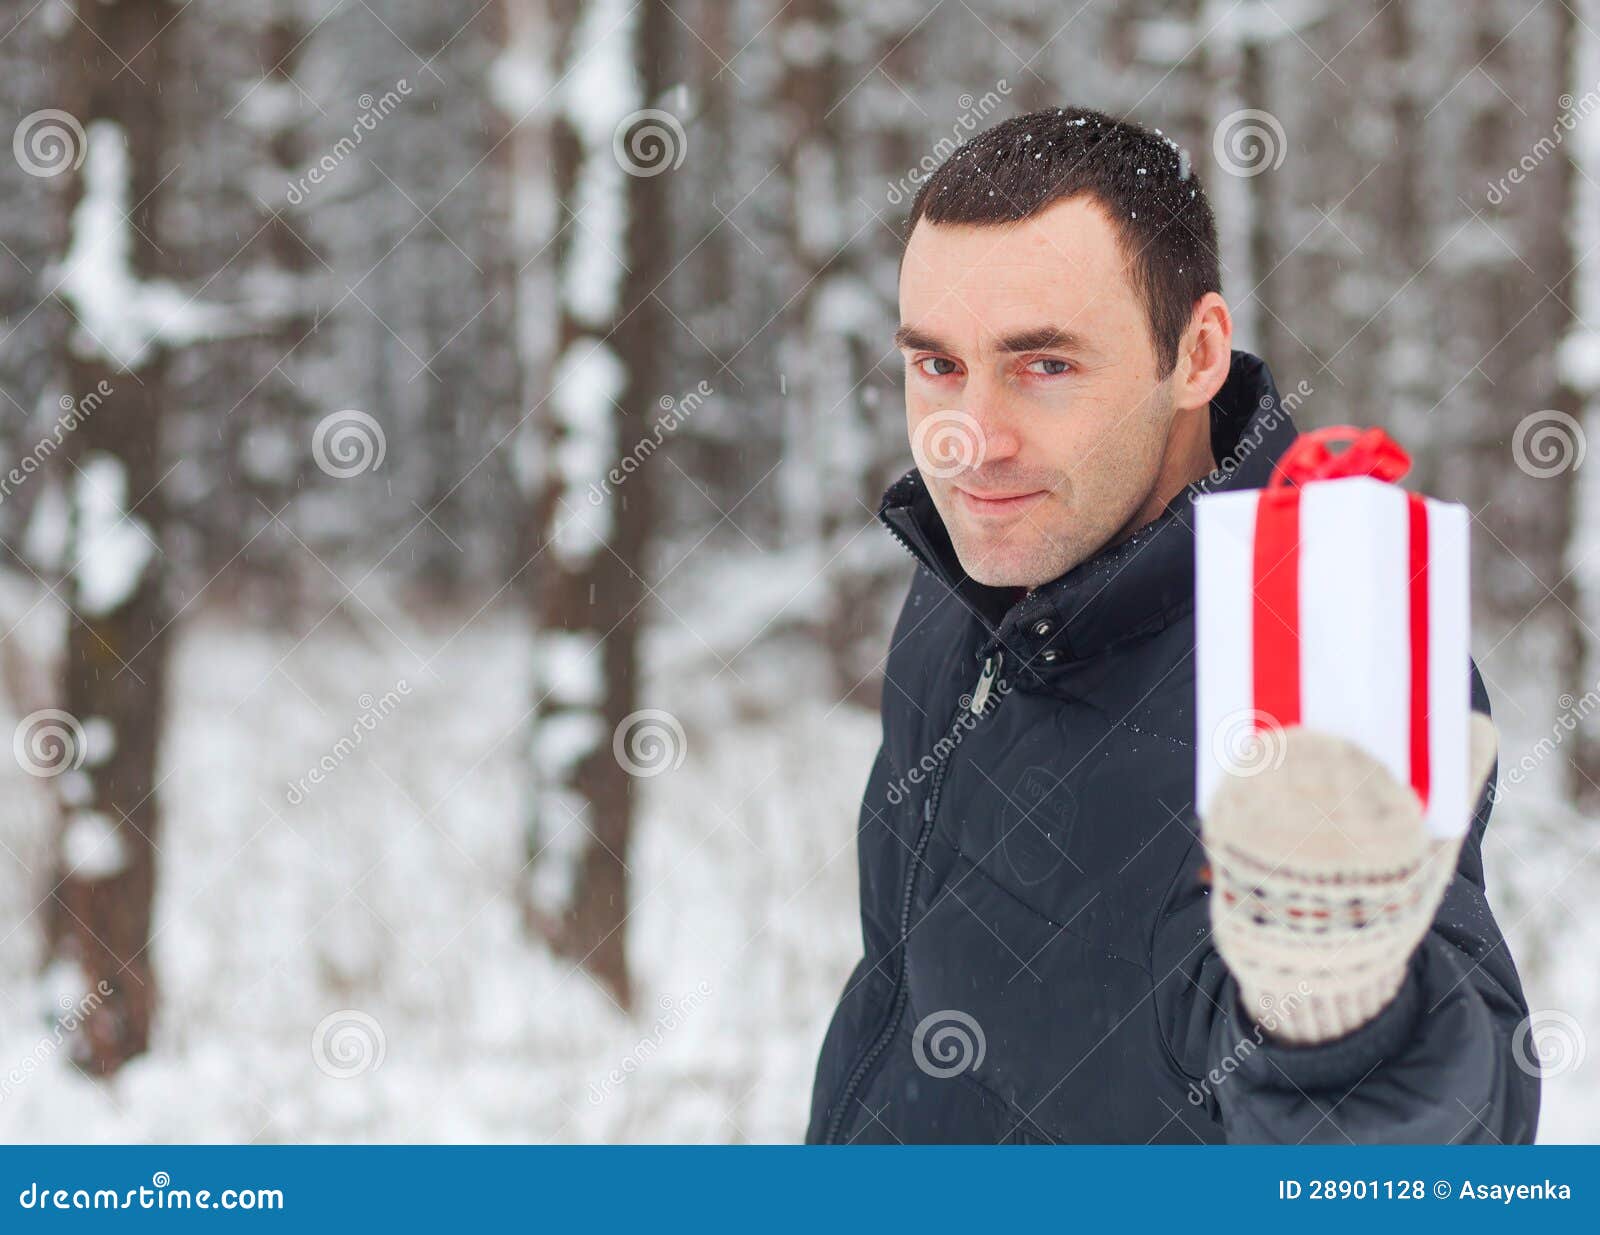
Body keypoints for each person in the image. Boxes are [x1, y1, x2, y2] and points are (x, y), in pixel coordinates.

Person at [805, 105, 1539, 1144]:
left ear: (1196, 353)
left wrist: (1335, 1016)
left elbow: (1452, 1135)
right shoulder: (968, 579)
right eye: (937, 366)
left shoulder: (1316, 635)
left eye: (1044, 365)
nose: (969, 442)